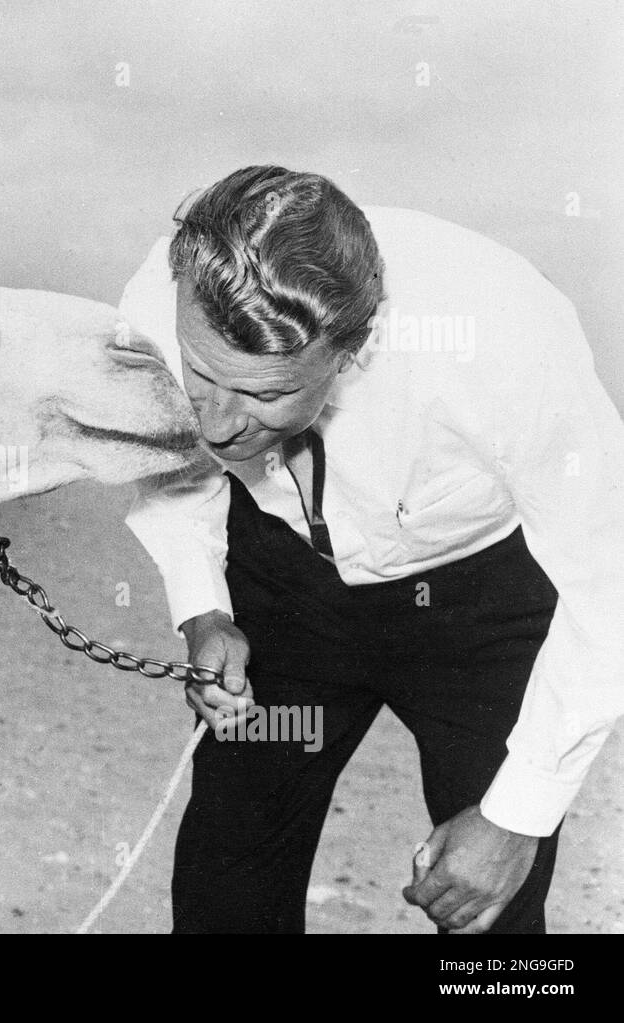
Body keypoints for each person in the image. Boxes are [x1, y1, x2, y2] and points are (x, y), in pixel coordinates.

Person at [121, 165, 624, 933]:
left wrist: (518, 817)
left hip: (478, 606)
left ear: (353, 349)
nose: (219, 426)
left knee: (492, 912)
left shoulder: (503, 329)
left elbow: (608, 579)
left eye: (265, 394)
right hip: (287, 589)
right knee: (227, 882)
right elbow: (177, 465)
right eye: (202, 378)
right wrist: (203, 609)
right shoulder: (158, 303)